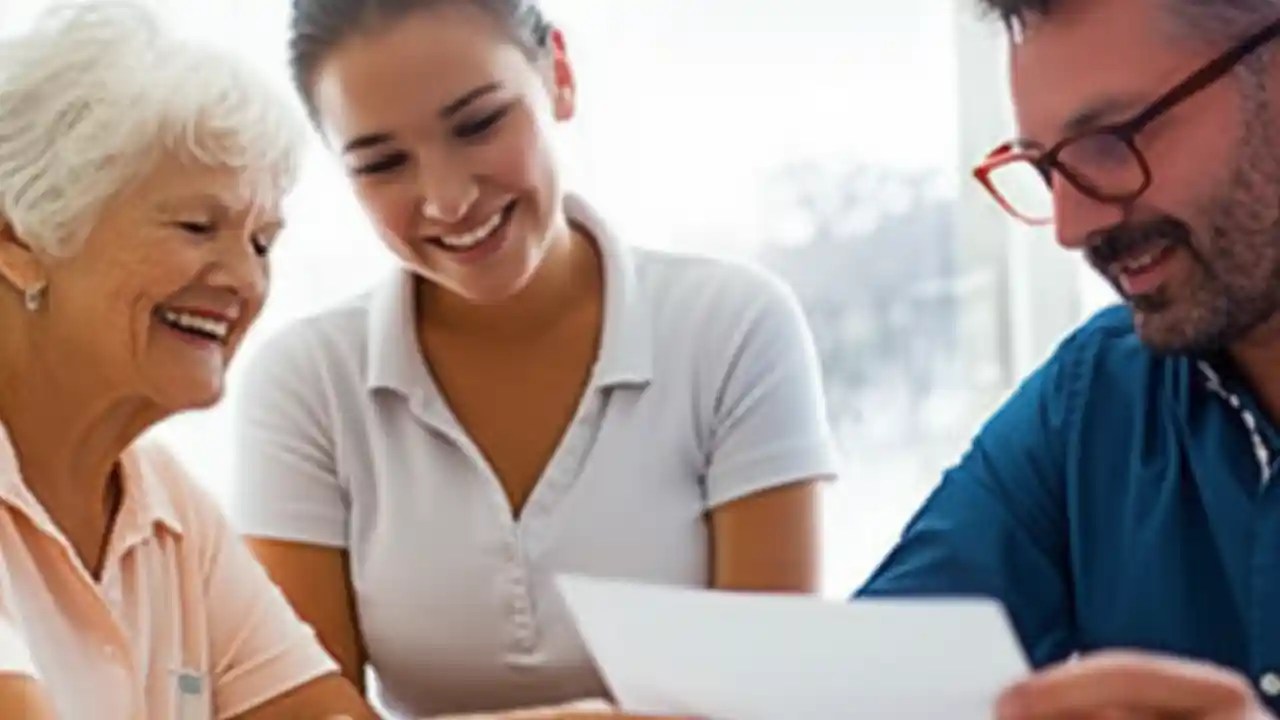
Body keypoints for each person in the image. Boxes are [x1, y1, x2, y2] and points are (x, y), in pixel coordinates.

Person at [231, 0, 839, 716]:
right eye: (383, 164)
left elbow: (767, 695)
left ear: (560, 77)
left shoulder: (732, 328)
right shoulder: (306, 384)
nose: (449, 199)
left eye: (480, 124)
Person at [859, 0, 1280, 718]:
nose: (1072, 225)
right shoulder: (1093, 398)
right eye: (1046, 167)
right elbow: (868, 680)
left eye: (1111, 141)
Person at [0, 2, 388, 717]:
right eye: (196, 227)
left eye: (262, 242)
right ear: (17, 240)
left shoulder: (169, 510)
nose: (246, 282)